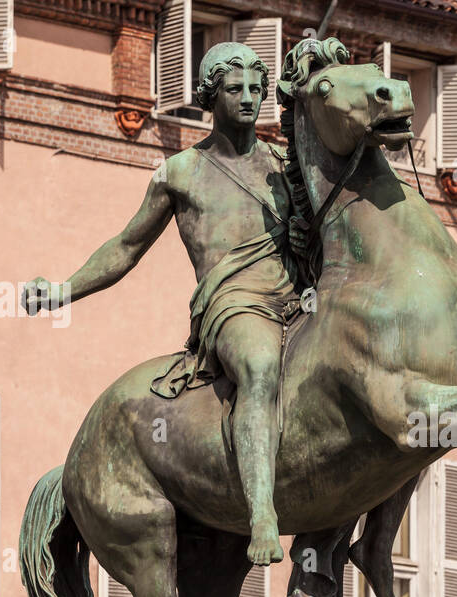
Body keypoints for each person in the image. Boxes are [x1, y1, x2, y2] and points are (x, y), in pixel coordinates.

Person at [24, 42, 297, 565]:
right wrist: (63, 290)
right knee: (259, 366)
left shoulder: (285, 166)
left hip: (298, 297)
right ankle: (262, 512)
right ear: (210, 97)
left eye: (257, 89)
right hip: (235, 305)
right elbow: (125, 248)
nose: (249, 99)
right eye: (235, 89)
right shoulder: (180, 173)